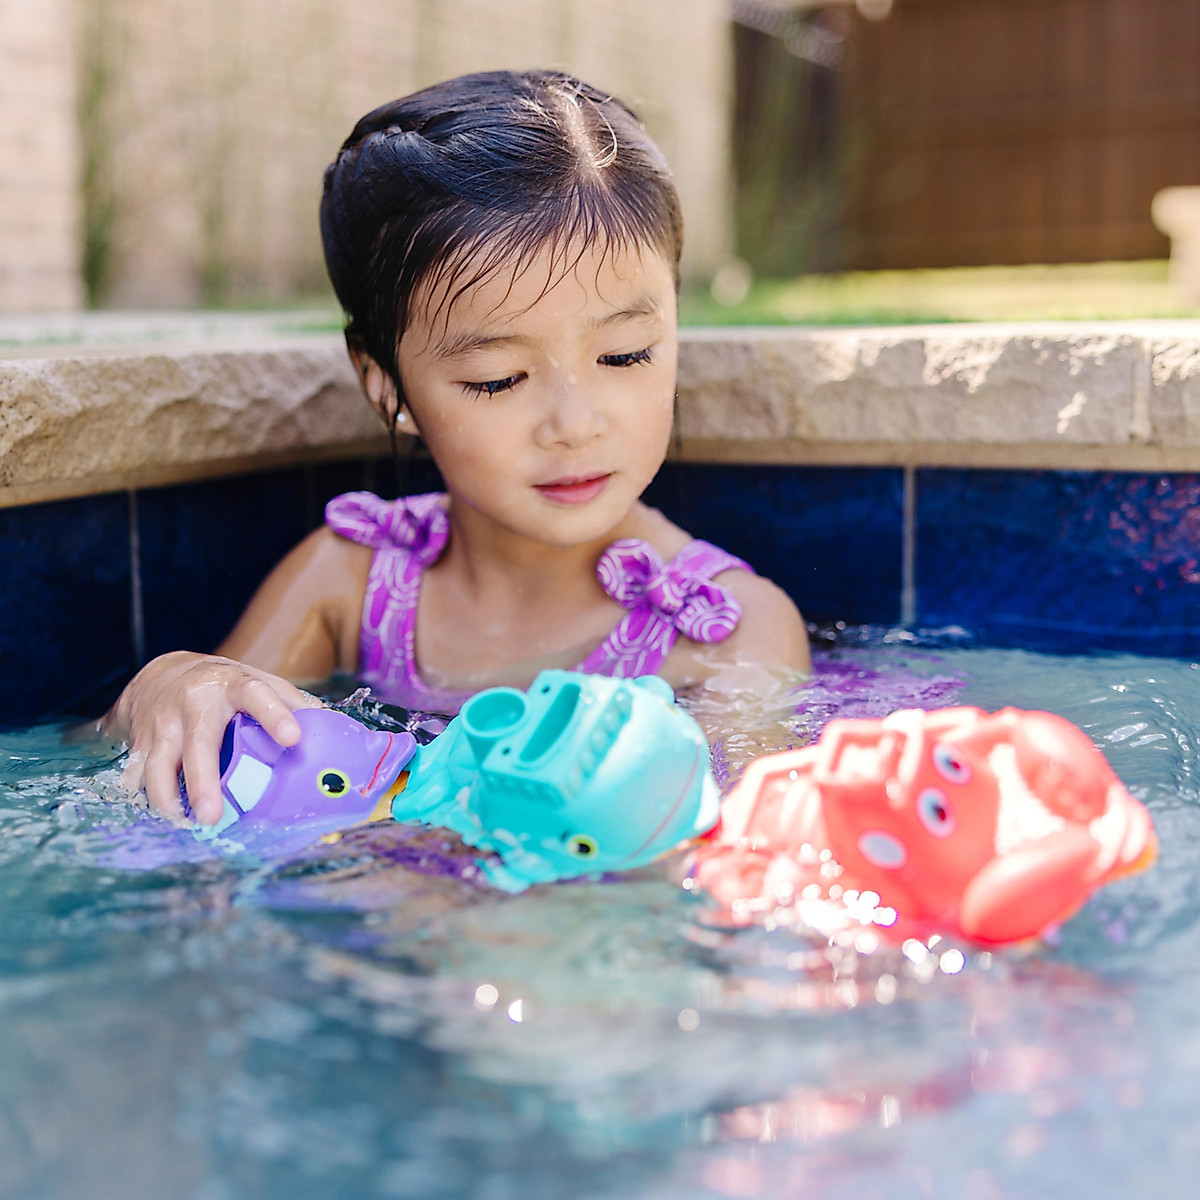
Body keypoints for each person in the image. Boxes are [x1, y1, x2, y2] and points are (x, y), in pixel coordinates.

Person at [104, 70, 811, 827]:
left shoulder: (726, 633)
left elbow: (717, 854)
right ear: (386, 386)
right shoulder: (350, 584)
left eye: (626, 355)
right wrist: (163, 687)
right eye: (497, 378)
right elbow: (146, 755)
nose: (574, 423)